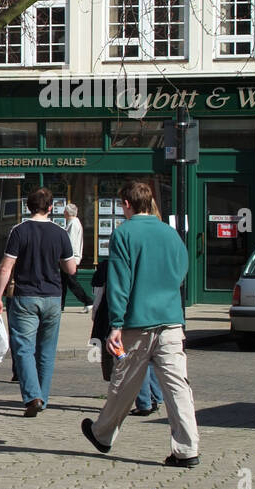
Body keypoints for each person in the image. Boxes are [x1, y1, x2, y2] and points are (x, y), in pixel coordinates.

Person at [80, 180, 201, 467]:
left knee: (124, 383)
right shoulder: (171, 234)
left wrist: (116, 324)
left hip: (137, 321)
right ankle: (187, 449)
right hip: (170, 320)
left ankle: (103, 433)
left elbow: (119, 282)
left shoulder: (124, 233)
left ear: (126, 203)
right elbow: (182, 269)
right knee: (177, 387)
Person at [0, 187, 77, 415]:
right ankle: (43, 398)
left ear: (27, 206)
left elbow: (6, 267)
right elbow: (71, 268)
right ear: (51, 208)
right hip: (52, 297)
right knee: (47, 350)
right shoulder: (60, 233)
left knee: (23, 349)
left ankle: (32, 396)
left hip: (25, 296)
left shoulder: (19, 231)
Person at [90, 258, 161, 415]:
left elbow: (99, 294)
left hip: (120, 316)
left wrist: (96, 314)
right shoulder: (145, 262)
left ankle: (144, 402)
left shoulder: (109, 265)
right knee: (147, 356)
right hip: (146, 314)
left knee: (132, 359)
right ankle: (155, 397)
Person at [61, 203, 93, 311]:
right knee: (63, 282)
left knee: (71, 282)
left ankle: (88, 301)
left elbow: (71, 242)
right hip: (70, 258)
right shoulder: (73, 223)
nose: (63, 213)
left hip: (70, 258)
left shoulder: (73, 224)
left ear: (67, 212)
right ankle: (60, 305)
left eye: (64, 211)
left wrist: (68, 257)